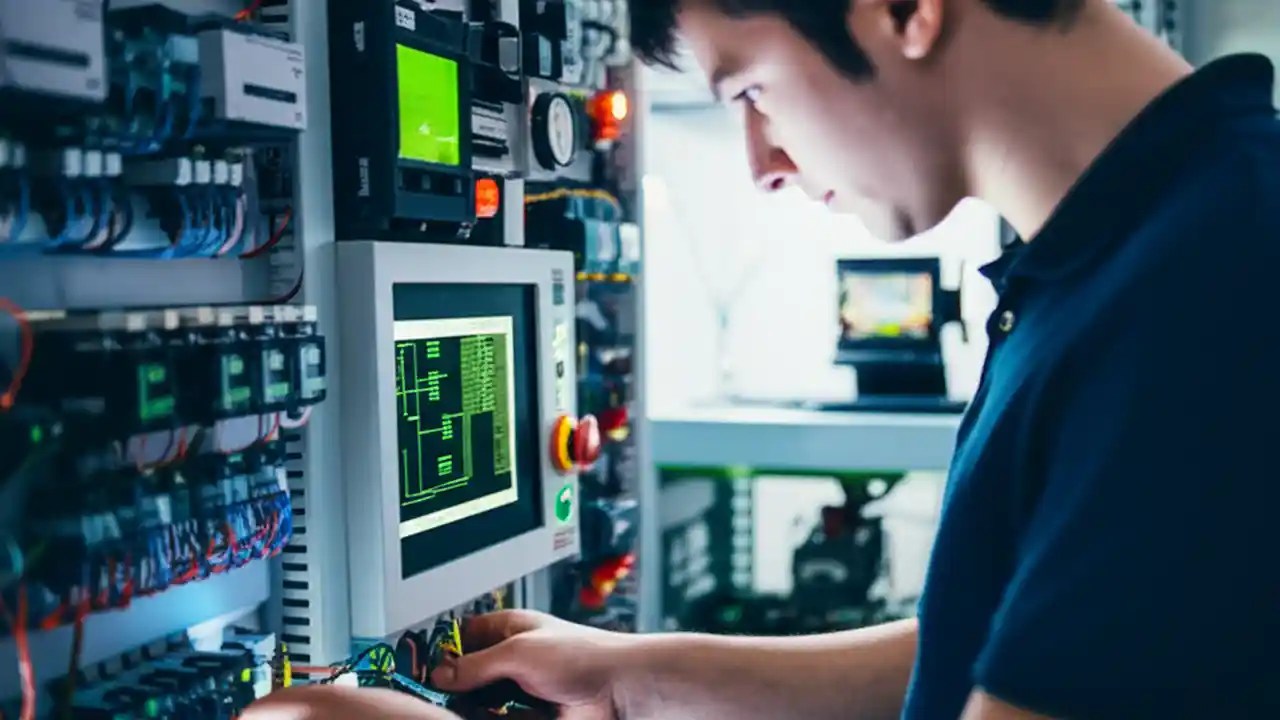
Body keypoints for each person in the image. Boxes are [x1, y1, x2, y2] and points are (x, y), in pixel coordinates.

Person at [245, 0, 1280, 717]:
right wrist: (640, 677)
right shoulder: (1141, 248)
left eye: (747, 89)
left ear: (902, 8)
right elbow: (1019, 654)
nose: (761, 165)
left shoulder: (1209, 292)